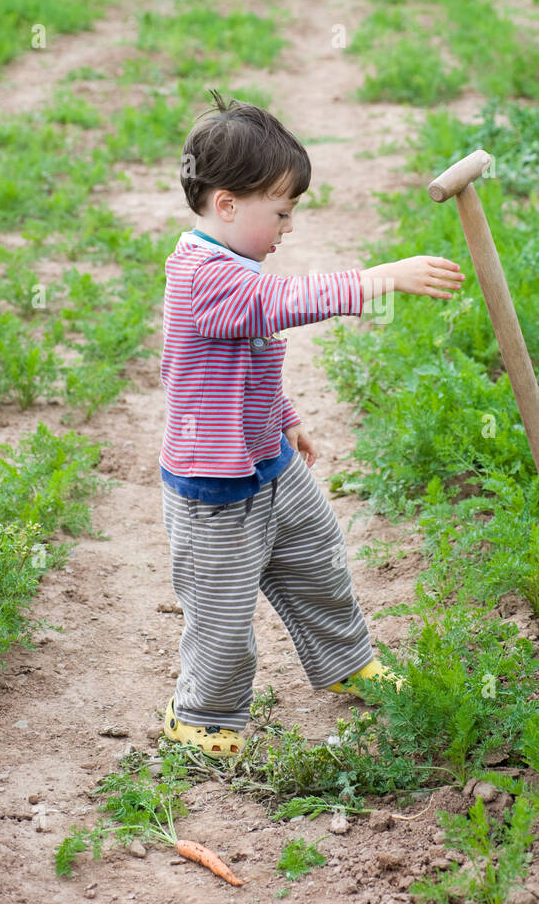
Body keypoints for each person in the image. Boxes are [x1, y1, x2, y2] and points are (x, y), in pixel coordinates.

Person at [158, 90, 464, 757]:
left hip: (266, 457)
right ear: (227, 205)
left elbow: (247, 362)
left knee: (316, 555)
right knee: (223, 614)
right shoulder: (200, 276)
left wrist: (284, 416)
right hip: (214, 484)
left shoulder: (234, 263)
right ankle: (202, 716)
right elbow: (282, 303)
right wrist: (381, 277)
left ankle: (345, 661)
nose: (287, 228)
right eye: (281, 213)